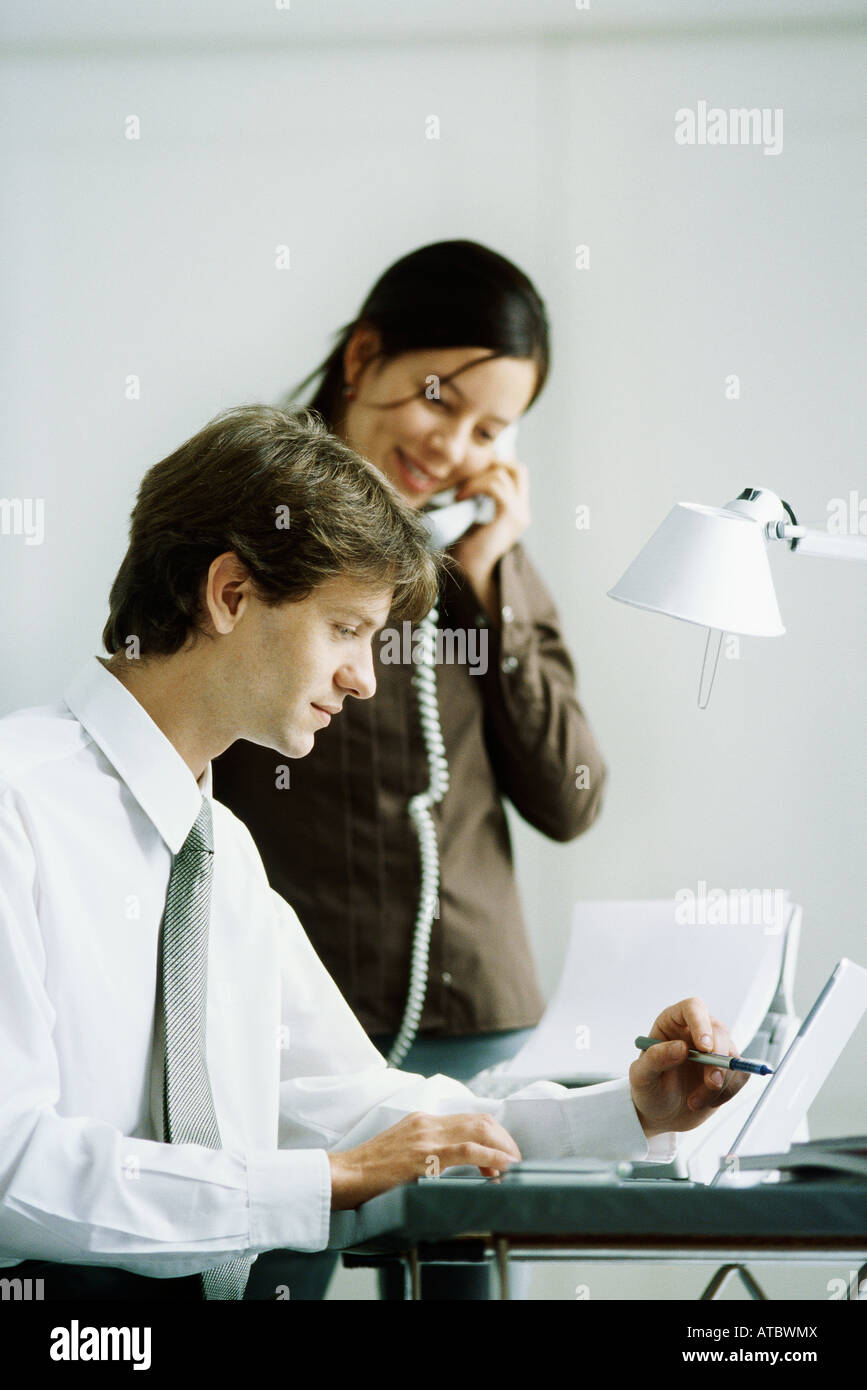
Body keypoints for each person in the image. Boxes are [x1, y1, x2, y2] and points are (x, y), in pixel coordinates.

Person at [0, 405, 747, 1301]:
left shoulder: (221, 856)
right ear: (230, 594)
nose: (363, 678)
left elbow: (358, 1105)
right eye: (347, 629)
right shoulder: (16, 802)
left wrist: (627, 1110)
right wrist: (325, 1183)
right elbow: (13, 1167)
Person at [212, 240, 609, 1298]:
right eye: (442, 402)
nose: (454, 446)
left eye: (490, 429)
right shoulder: (251, 510)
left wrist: (489, 580)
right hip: (294, 1018)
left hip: (472, 1011)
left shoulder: (489, 559)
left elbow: (573, 797)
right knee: (270, 1274)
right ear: (365, 357)